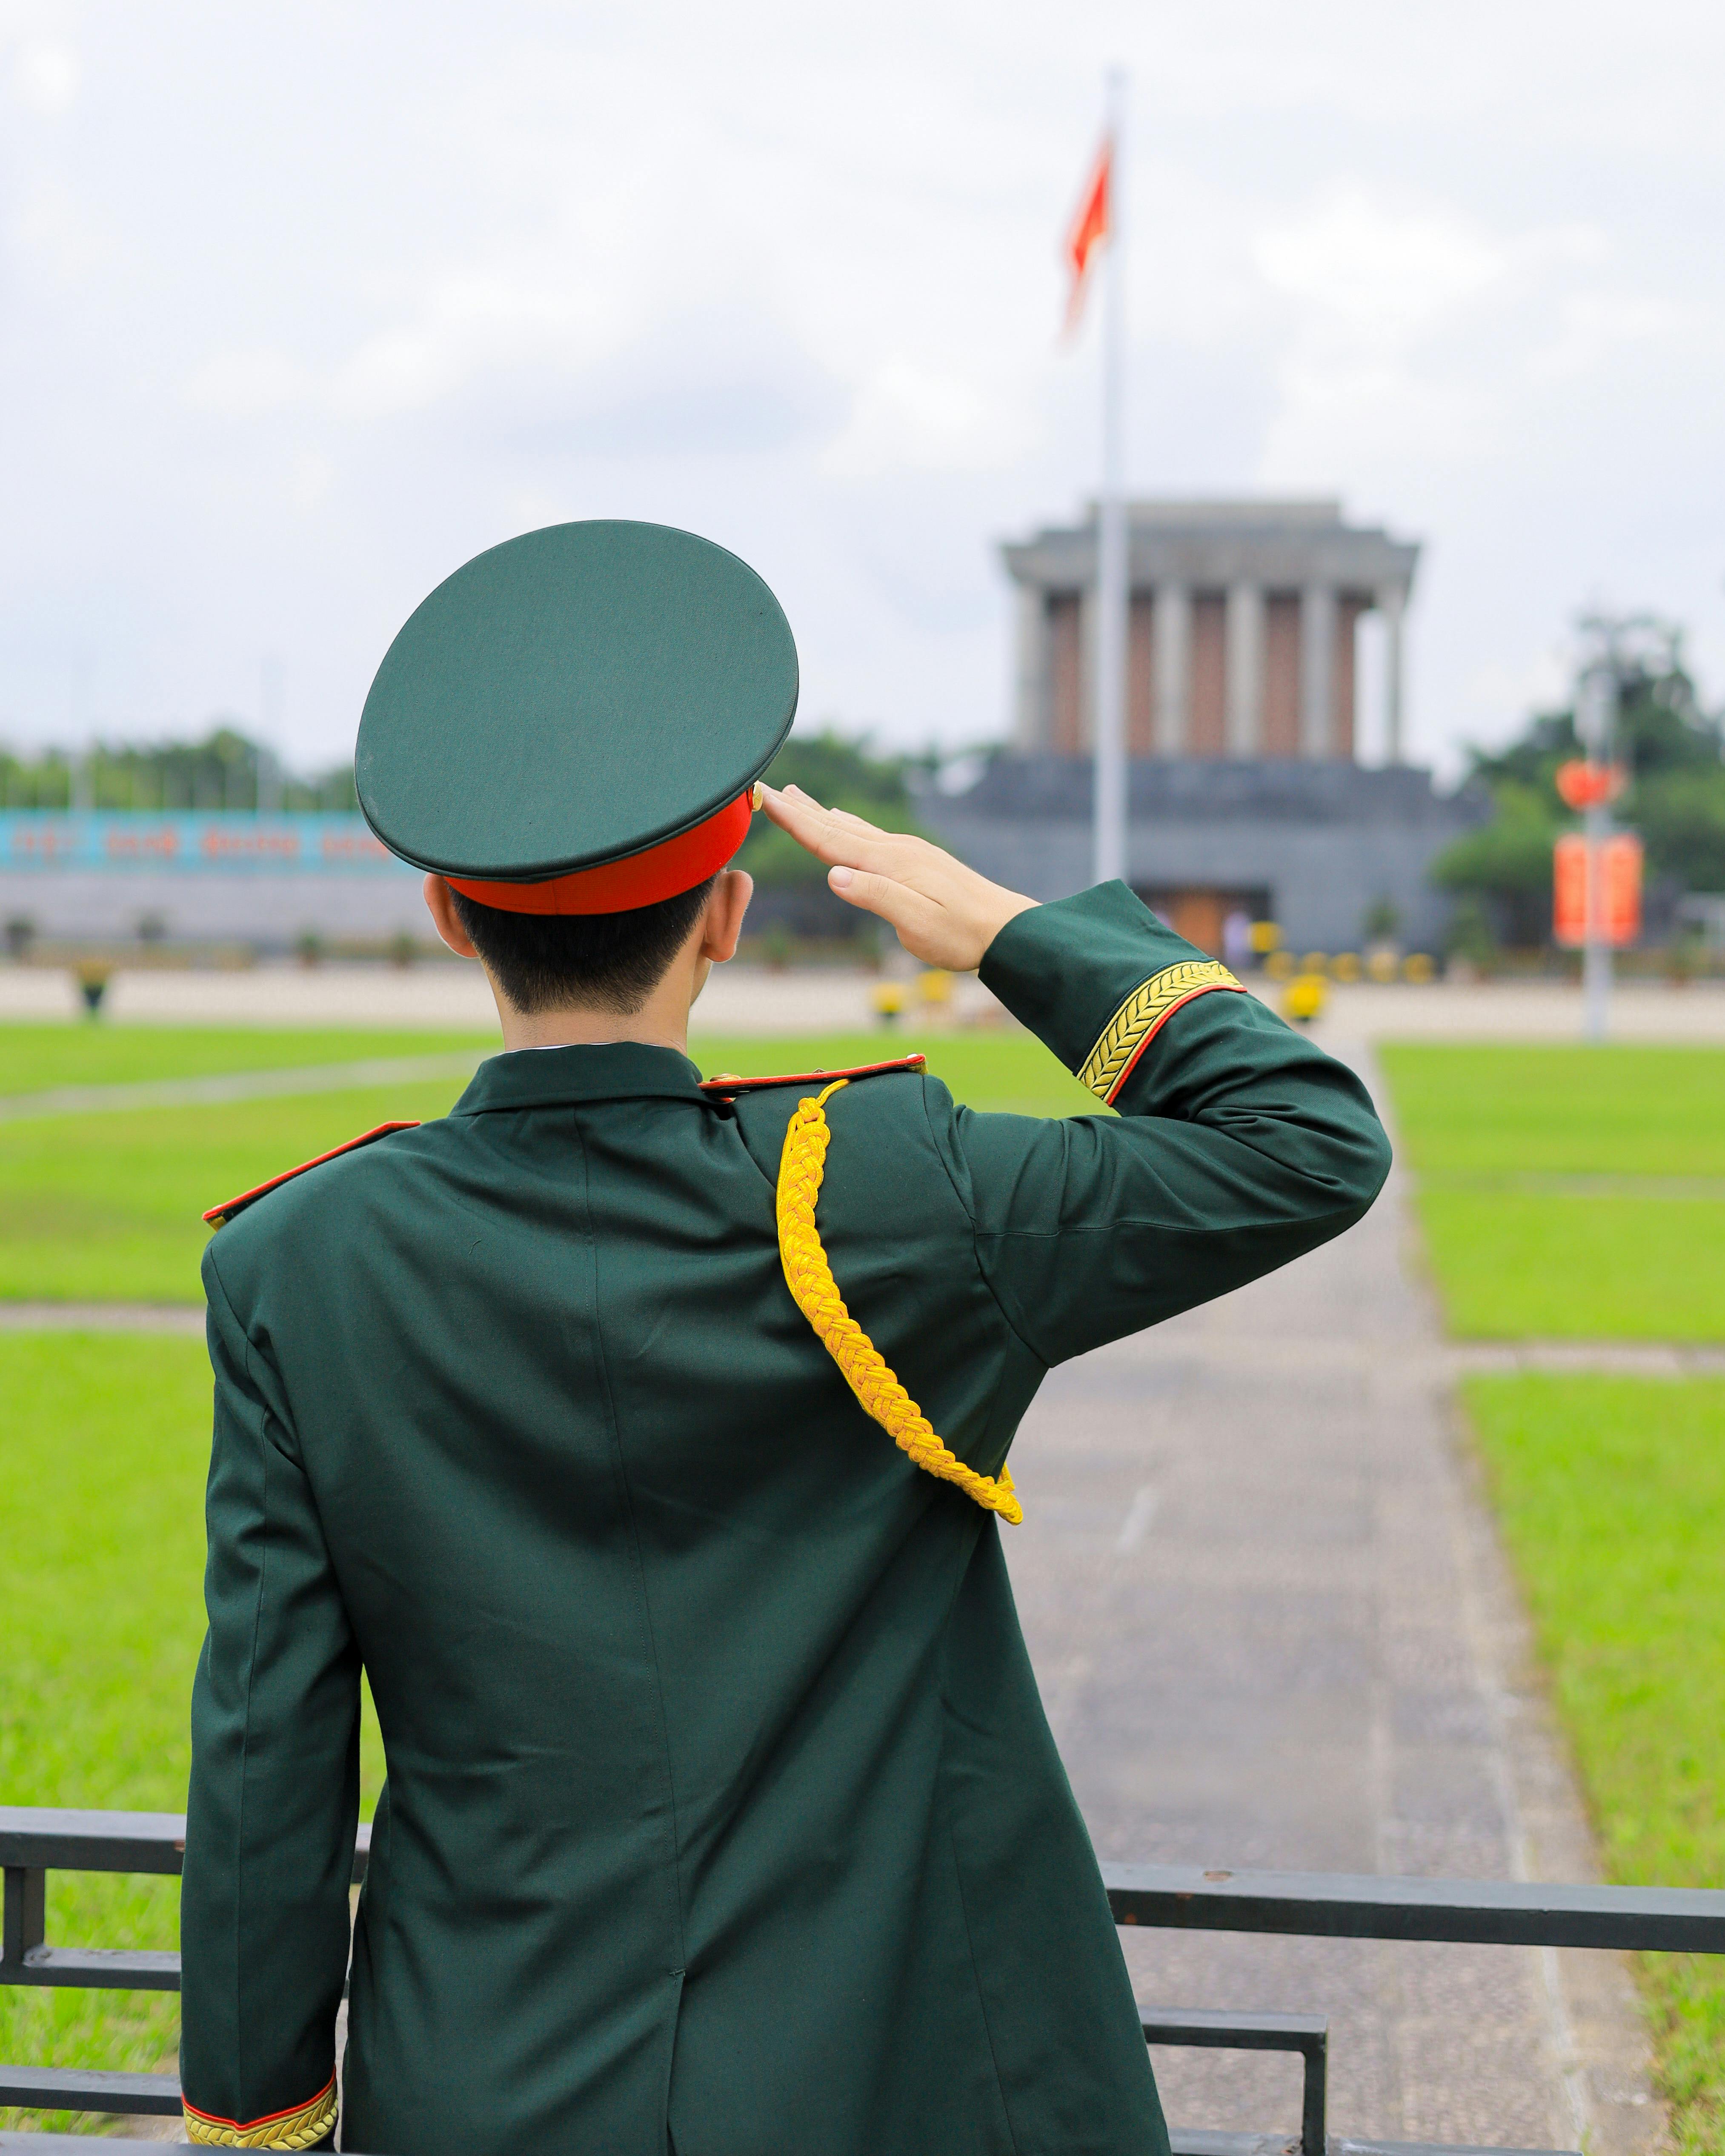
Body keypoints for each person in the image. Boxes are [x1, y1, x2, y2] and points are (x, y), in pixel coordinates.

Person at [178, 518, 1390, 2156]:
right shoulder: (885, 1195)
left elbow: (268, 1762)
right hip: (893, 2078)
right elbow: (1303, 1140)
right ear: (730, 917)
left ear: (455, 923)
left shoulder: (301, 1263)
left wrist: (262, 2115)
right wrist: (1014, 934)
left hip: (488, 2084)